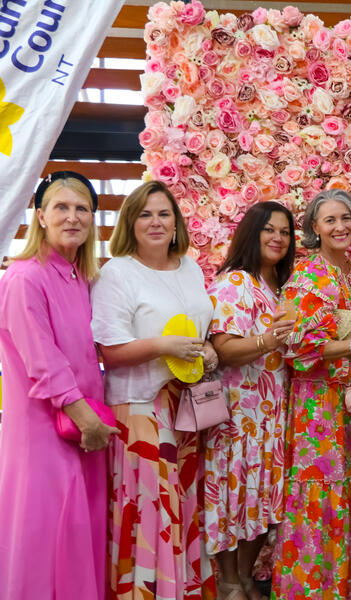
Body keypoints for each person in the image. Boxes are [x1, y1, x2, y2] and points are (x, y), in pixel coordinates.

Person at [92, 180, 216, 600]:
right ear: (130, 222)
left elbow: (199, 327)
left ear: (177, 222)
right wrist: (164, 346)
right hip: (140, 406)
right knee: (149, 512)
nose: (156, 222)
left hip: (185, 407)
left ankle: (178, 590)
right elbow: (109, 350)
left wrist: (208, 351)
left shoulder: (191, 267)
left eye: (164, 213)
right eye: (145, 214)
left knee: (180, 504)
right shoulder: (118, 272)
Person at [0, 172, 118, 600]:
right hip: (46, 433)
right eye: (61, 207)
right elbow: (44, 363)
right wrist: (87, 420)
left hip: (87, 431)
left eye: (82, 208)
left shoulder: (82, 279)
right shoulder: (23, 277)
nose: (73, 217)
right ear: (41, 216)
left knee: (80, 532)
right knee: (46, 535)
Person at [272, 189, 351, 599]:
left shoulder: (349, 273)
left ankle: (341, 587)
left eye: (346, 218)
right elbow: (298, 348)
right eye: (329, 220)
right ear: (314, 229)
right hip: (316, 404)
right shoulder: (311, 276)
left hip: (344, 401)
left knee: (342, 490)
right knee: (318, 491)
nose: (339, 226)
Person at [204, 202, 298, 600]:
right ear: (252, 233)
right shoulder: (235, 283)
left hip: (272, 412)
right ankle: (228, 582)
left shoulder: (280, 286)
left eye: (285, 232)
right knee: (232, 495)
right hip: (237, 414)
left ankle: (243, 578)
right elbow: (223, 349)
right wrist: (269, 340)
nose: (278, 238)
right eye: (269, 230)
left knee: (262, 499)